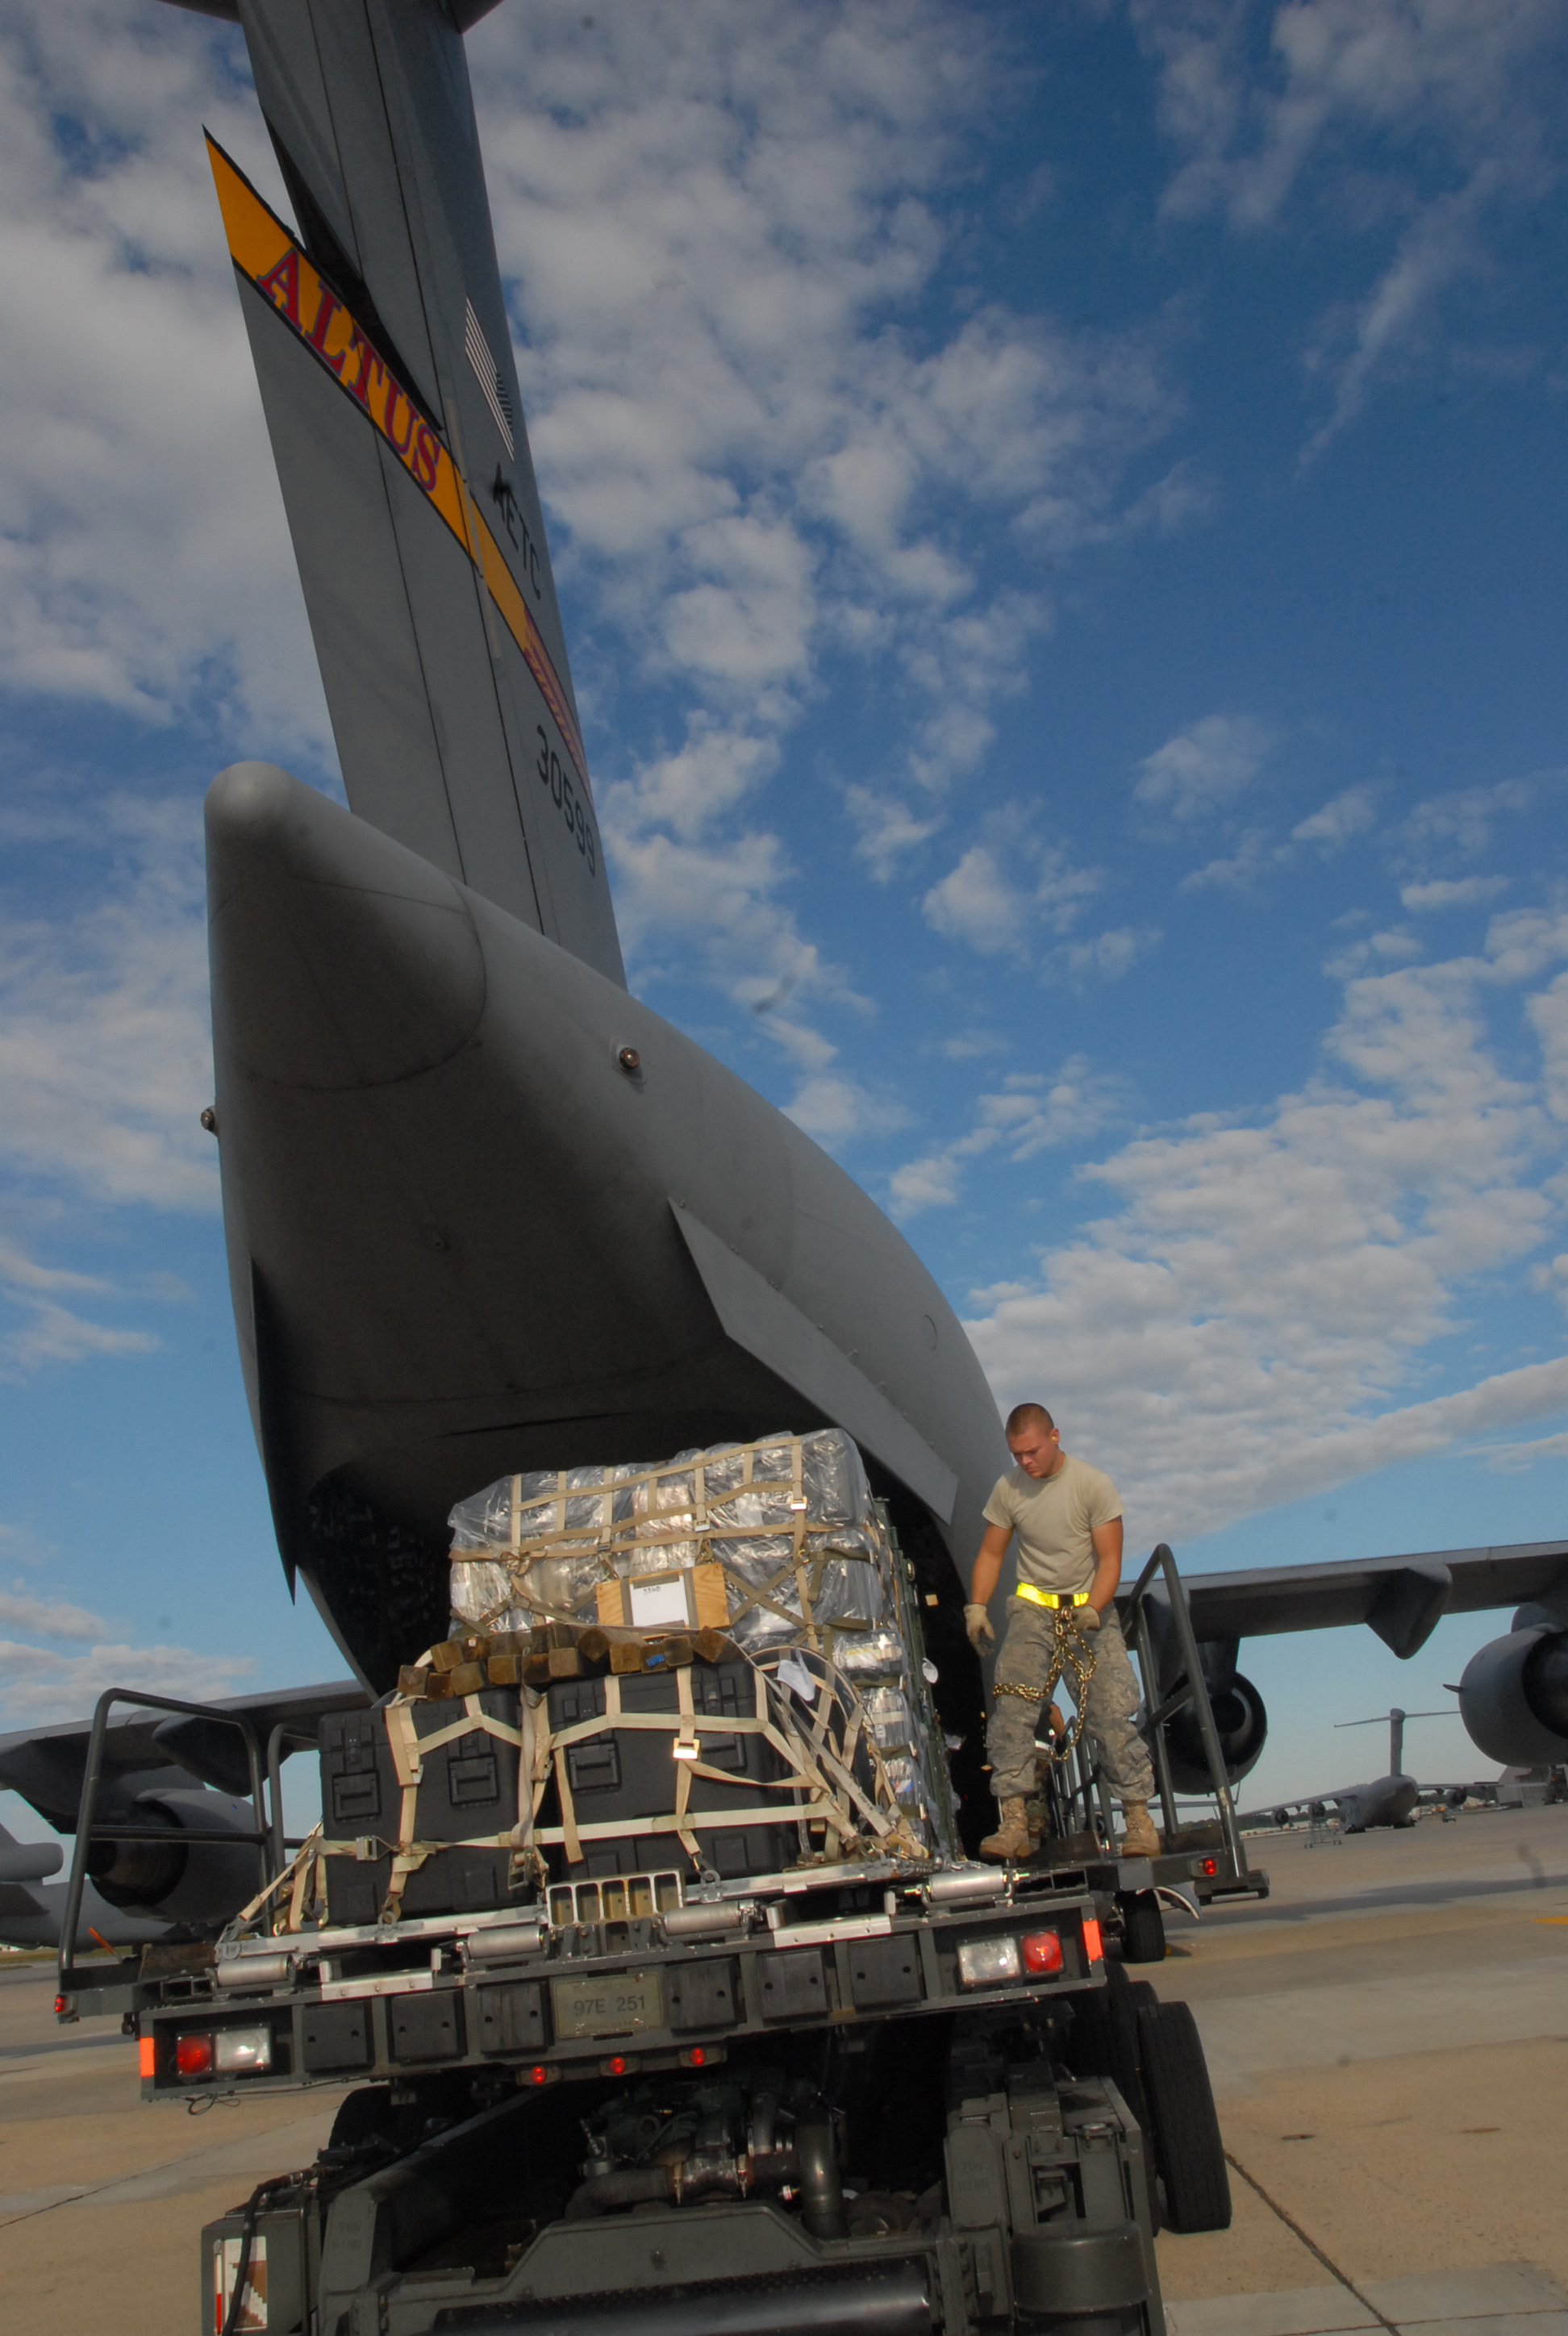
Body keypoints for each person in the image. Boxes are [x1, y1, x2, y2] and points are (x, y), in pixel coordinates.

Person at [966, 1401, 1161, 1863]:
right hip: (1034, 1611)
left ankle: (1138, 1820)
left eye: (1032, 1452)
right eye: (1017, 1455)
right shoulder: (1008, 1490)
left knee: (1111, 1712)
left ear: (1055, 1437)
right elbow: (992, 1554)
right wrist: (976, 1605)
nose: (1025, 1462)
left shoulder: (1093, 1485)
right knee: (1012, 1708)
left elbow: (1110, 1561)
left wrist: (1094, 1609)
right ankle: (1013, 1825)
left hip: (1087, 1611)